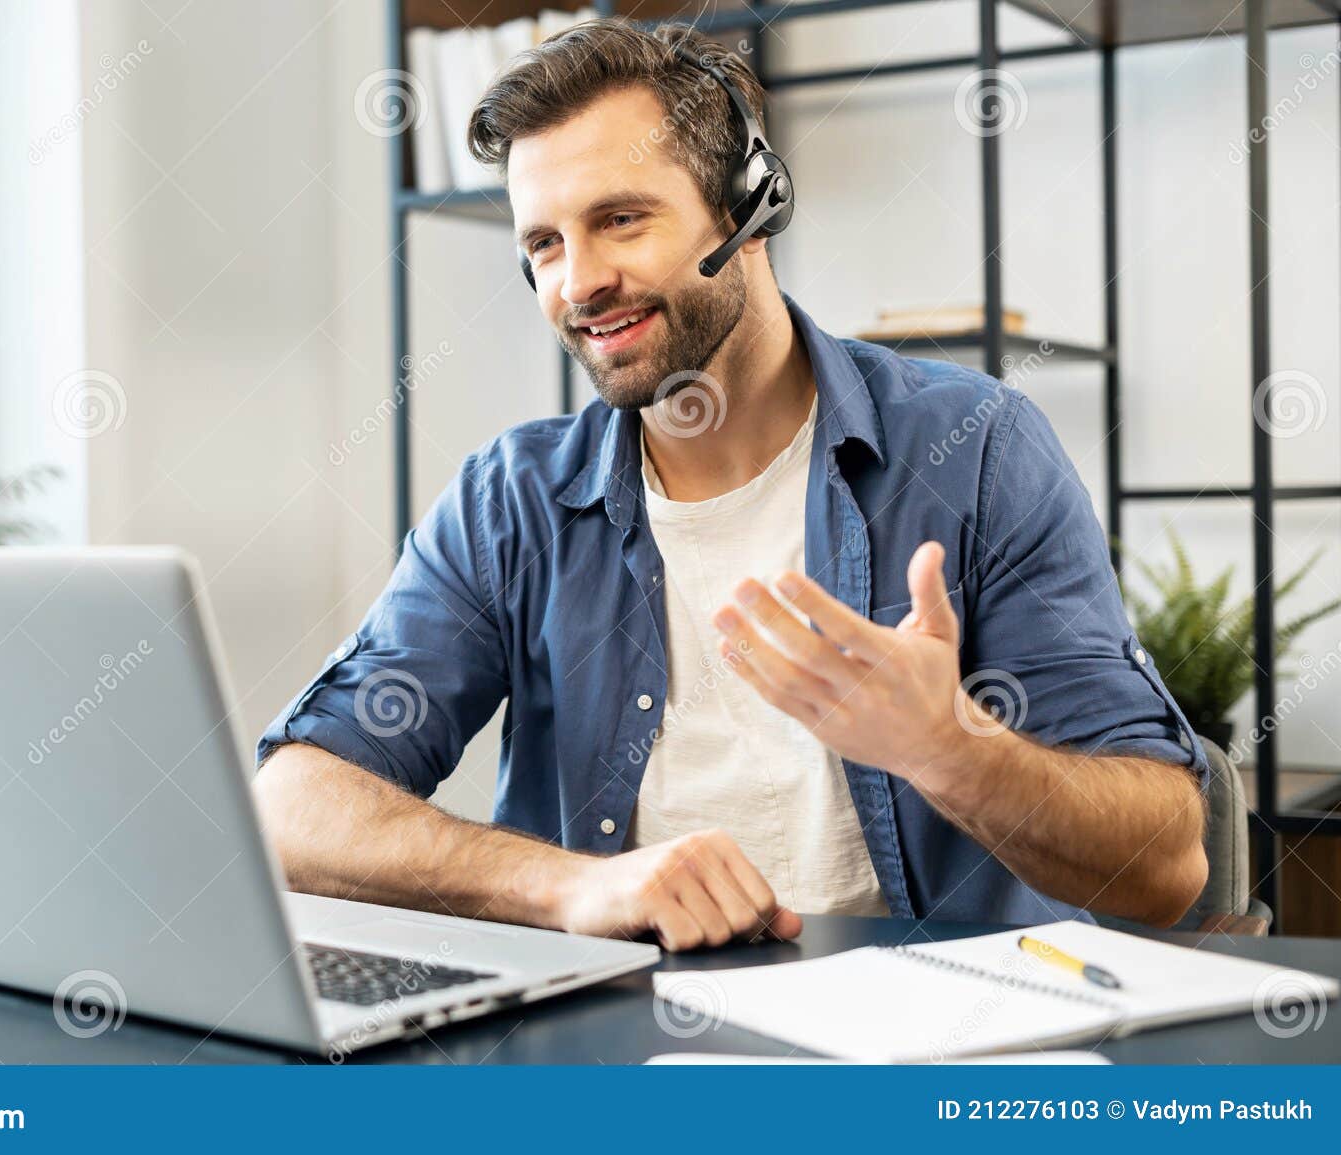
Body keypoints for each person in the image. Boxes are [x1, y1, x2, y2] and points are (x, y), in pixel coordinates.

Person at [254, 18, 1208, 951]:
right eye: (544, 243)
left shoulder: (975, 450)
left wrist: (949, 746)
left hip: (928, 1035)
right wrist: (570, 887)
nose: (579, 282)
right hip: (623, 1030)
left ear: (751, 205)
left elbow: (1166, 869)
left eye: (620, 219)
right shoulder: (512, 502)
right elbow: (291, 807)